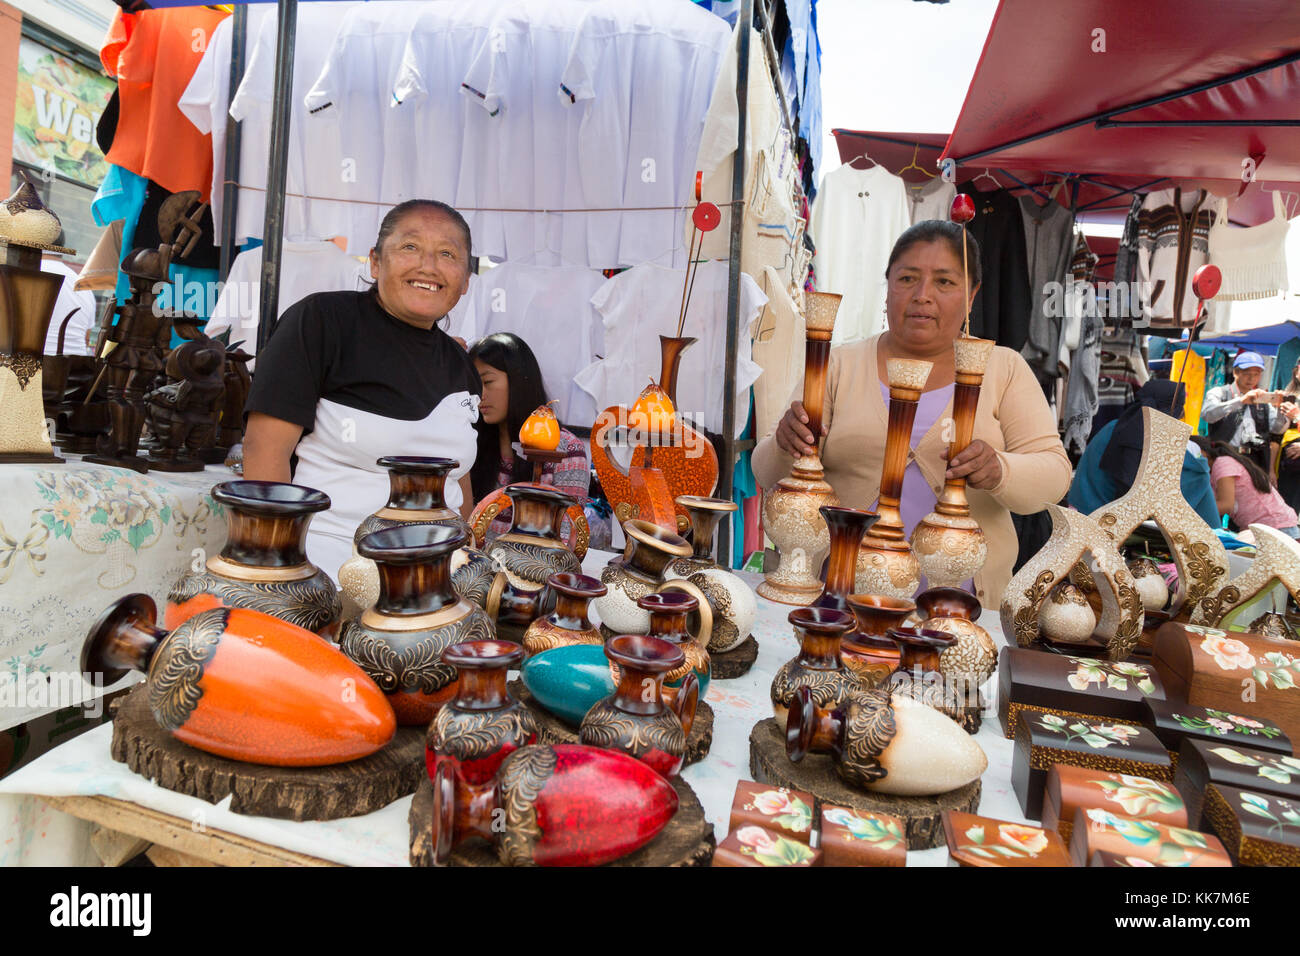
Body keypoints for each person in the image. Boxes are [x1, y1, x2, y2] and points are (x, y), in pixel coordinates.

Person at [753, 220, 1072, 608]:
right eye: (907, 278)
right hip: (835, 602)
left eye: (944, 282)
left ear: (971, 296)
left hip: (955, 618)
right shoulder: (838, 365)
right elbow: (767, 474)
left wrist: (1000, 470)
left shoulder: (1002, 369)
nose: (923, 295)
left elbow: (1055, 475)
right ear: (887, 288)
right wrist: (786, 447)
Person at [243, 199, 482, 580]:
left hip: (437, 576)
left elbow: (458, 479)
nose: (429, 266)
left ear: (466, 279)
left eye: (447, 254)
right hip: (326, 562)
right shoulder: (320, 322)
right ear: (374, 261)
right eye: (410, 247)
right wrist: (279, 568)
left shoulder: (461, 364)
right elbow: (263, 452)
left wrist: (465, 564)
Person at [1069, 380, 1219, 527]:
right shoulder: (1166, 441)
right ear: (1175, 409)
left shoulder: (1111, 428)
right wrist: (1201, 466)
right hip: (1124, 531)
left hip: (1084, 520)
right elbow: (1189, 485)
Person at [468, 332, 590, 509]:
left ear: (519, 381)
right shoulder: (470, 441)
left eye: (487, 382)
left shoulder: (566, 448)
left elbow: (568, 526)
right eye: (474, 384)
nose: (480, 394)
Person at [1200, 351, 1298, 478]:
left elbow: (1278, 429)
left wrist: (1280, 410)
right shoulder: (1219, 393)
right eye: (1247, 374)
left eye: (1256, 374)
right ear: (1236, 372)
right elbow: (1208, 414)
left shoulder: (1263, 399)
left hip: (1254, 459)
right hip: (1224, 455)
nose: (1251, 379)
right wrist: (1240, 401)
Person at [1190, 437, 1300, 538]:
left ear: (1203, 451)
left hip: (1276, 527)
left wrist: (1188, 513)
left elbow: (1226, 505)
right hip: (1261, 529)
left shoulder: (1223, 463)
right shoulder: (1210, 472)